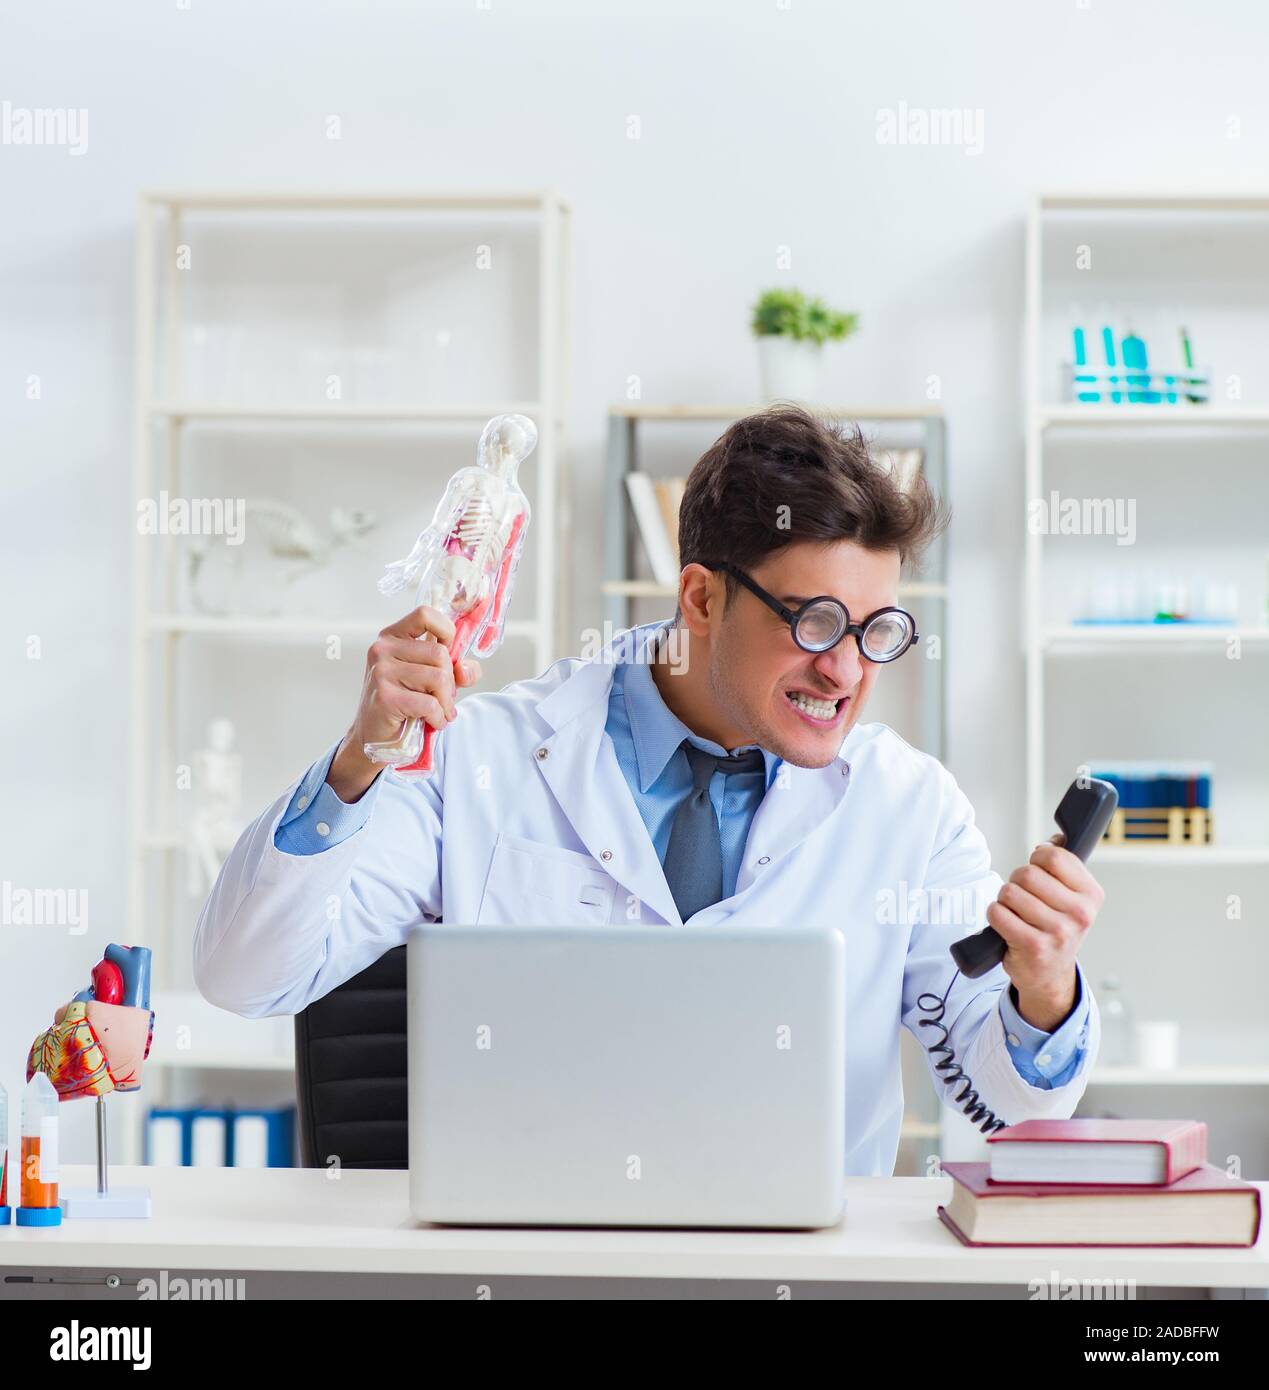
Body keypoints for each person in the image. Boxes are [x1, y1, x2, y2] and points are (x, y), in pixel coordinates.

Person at [194, 405, 1103, 1175]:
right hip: (534, 1268)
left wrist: (1043, 988)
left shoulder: (909, 810)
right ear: (702, 600)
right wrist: (359, 758)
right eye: (816, 621)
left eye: (876, 630)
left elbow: (1010, 1118)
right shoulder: (487, 755)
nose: (844, 671)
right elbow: (244, 977)